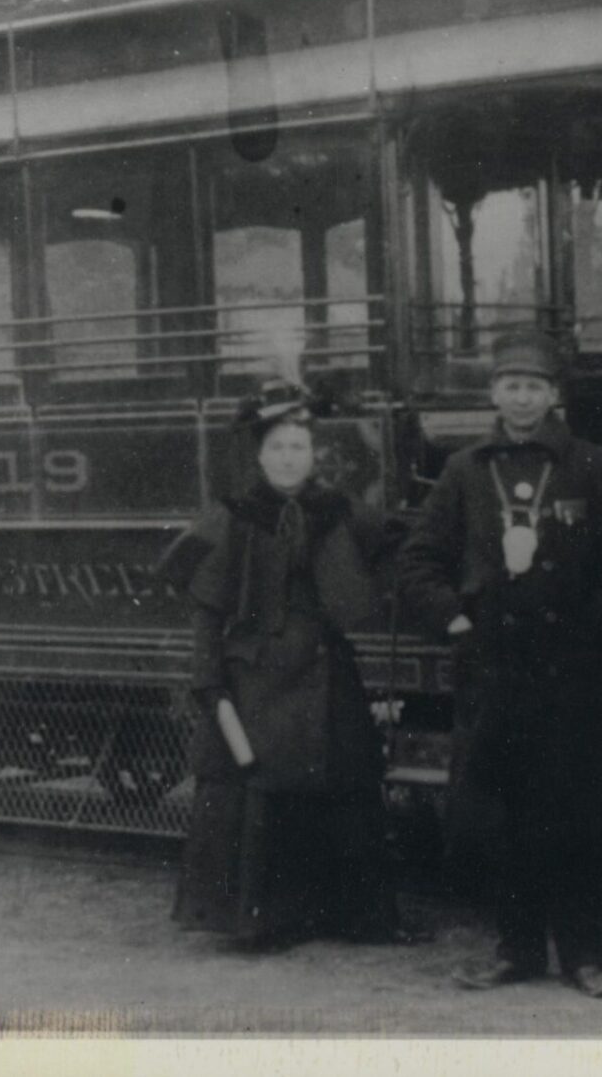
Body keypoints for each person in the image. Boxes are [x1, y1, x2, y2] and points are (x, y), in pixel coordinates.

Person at [397, 329, 602, 998]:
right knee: (503, 816)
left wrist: (591, 632)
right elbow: (419, 558)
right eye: (511, 384)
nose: (523, 396)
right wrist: (456, 619)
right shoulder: (465, 468)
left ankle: (587, 956)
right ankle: (517, 949)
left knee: (576, 812)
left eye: (535, 386)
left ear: (554, 395)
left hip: (569, 670)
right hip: (494, 668)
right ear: (494, 392)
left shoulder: (590, 464)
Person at [171, 380, 424, 951]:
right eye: (278, 449)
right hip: (255, 680)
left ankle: (358, 917)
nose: (289, 459)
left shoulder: (336, 511)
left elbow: (397, 547)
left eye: (299, 449)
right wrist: (208, 681)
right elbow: (206, 612)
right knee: (263, 794)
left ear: (314, 457)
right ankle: (263, 920)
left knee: (349, 784)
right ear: (259, 456)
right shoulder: (230, 519)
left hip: (325, 672)